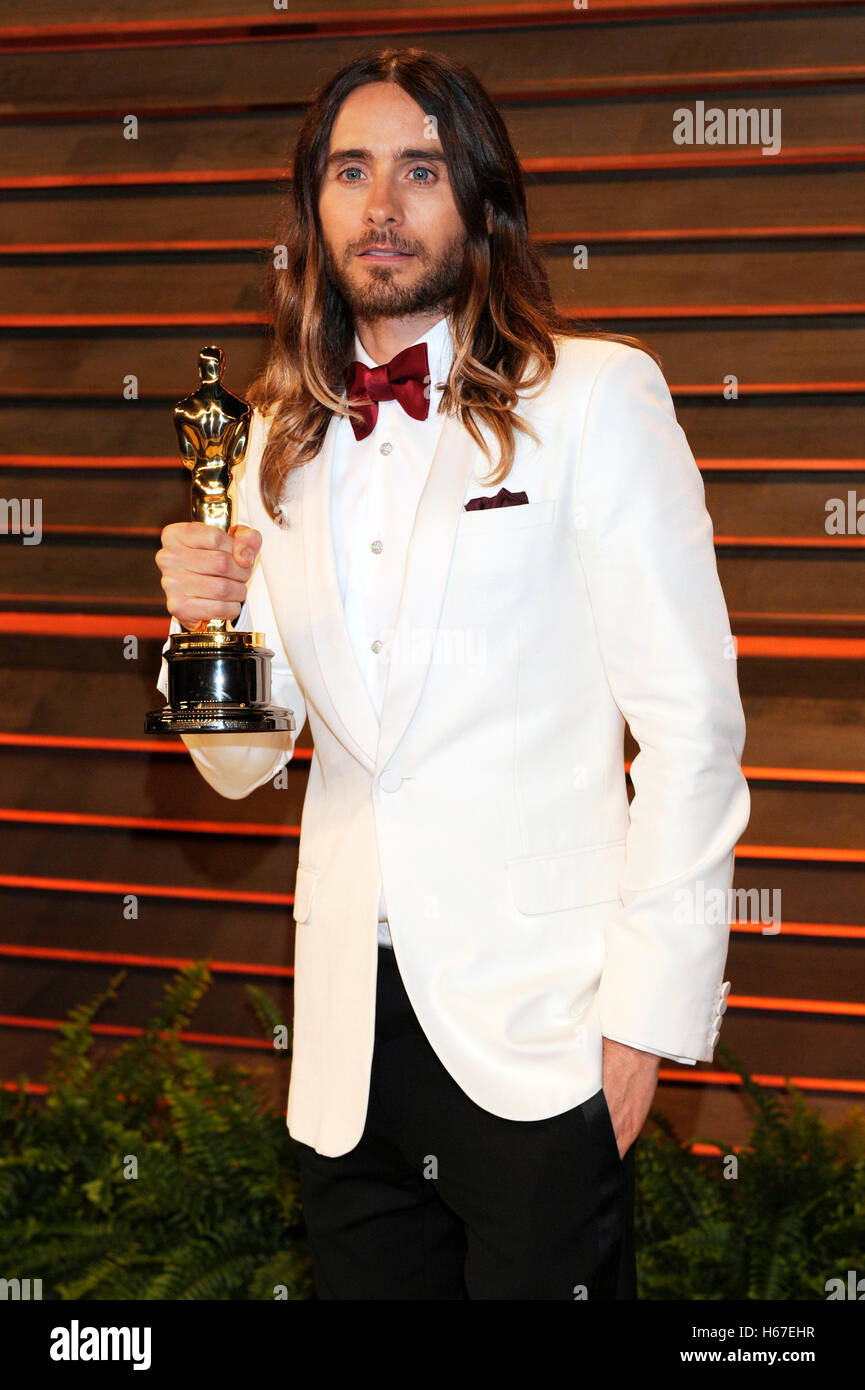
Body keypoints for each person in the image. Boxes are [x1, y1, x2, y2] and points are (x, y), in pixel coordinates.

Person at [155, 47, 751, 1300]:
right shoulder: (276, 434)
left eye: (420, 170)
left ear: (477, 202)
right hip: (345, 1040)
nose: (381, 205)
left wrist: (643, 1027)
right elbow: (238, 767)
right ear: (312, 209)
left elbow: (692, 735)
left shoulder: (593, 398)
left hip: (542, 1031)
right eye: (350, 171)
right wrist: (204, 634)